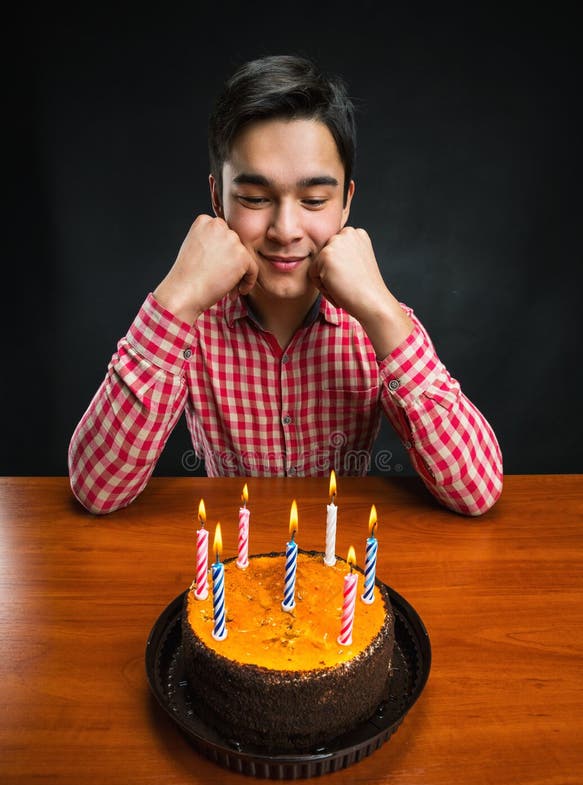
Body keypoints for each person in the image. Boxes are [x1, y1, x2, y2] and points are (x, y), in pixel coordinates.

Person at [69, 54, 502, 516]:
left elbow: (475, 493)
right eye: (255, 198)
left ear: (346, 203)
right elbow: (98, 490)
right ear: (218, 198)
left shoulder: (377, 325)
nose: (286, 229)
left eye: (314, 199)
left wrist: (382, 313)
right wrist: (175, 298)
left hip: (341, 564)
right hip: (229, 564)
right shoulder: (188, 326)